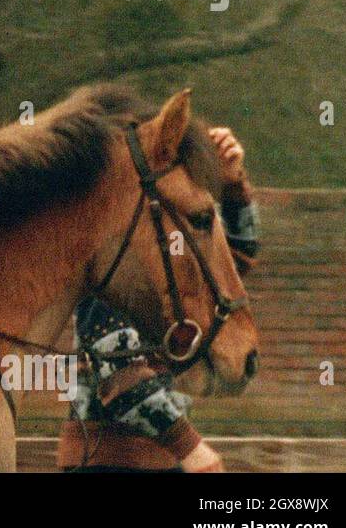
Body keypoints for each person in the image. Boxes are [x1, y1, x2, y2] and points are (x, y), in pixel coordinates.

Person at [57, 126, 261, 473]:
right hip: (107, 462)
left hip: (159, 461)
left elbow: (237, 257)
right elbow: (117, 373)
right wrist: (191, 448)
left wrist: (233, 187)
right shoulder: (122, 259)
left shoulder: (173, 264)